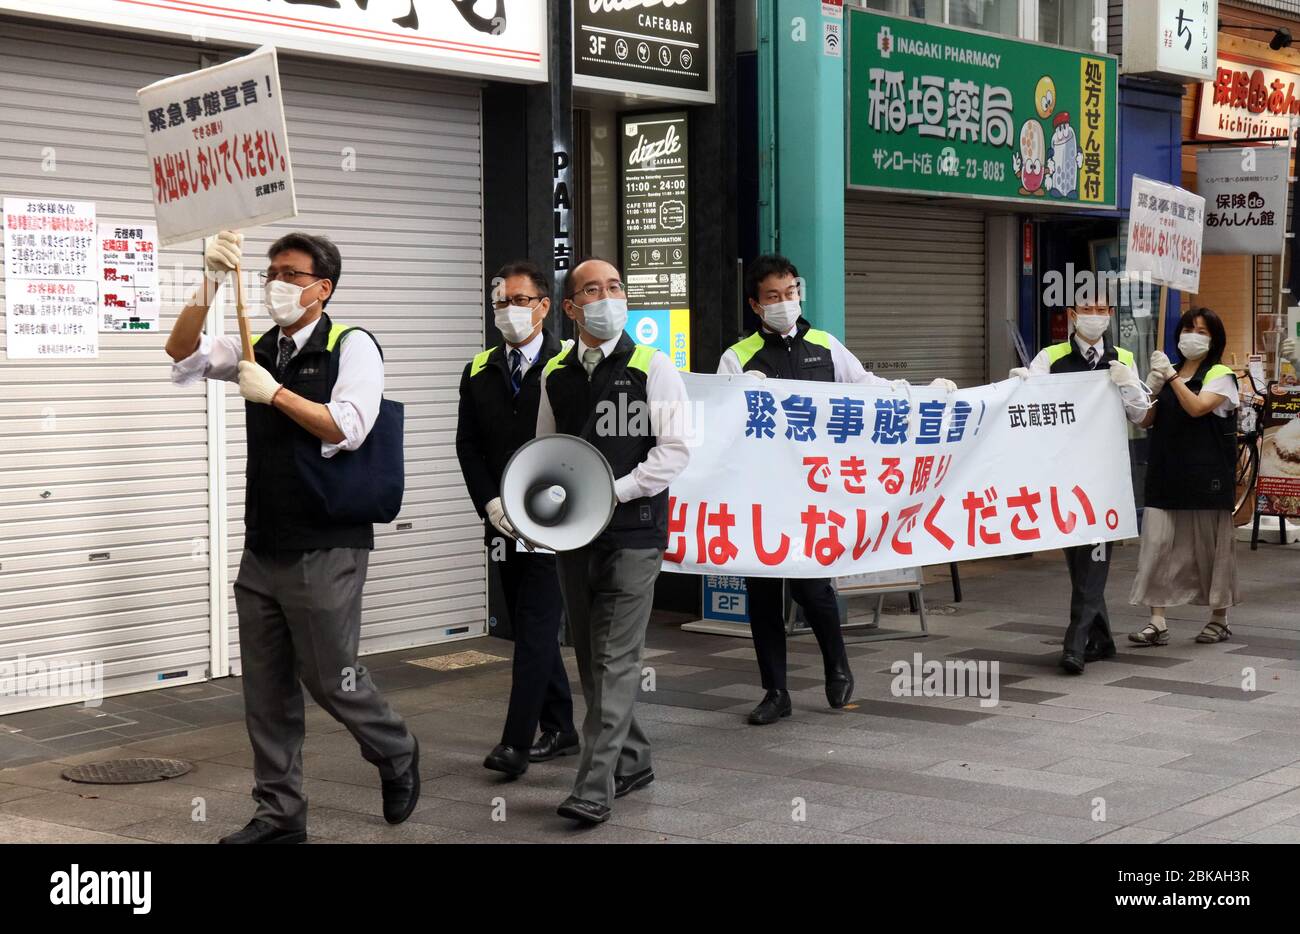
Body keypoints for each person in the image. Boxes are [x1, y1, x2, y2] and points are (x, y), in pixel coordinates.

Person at [166, 230, 419, 843]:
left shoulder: (351, 345)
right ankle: (280, 815)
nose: (276, 283)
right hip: (265, 543)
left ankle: (395, 747)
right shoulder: (258, 344)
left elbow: (348, 427)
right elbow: (180, 353)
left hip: (328, 539)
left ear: (322, 288)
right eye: (270, 272)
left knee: (332, 676)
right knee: (268, 688)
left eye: (291, 274)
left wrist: (274, 393)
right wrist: (210, 281)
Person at [718, 254, 959, 725]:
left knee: (814, 589)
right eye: (773, 297)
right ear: (755, 304)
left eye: (790, 293)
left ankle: (838, 667)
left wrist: (919, 395)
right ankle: (775, 691)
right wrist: (736, 392)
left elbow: (867, 388)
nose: (784, 303)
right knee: (763, 597)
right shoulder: (738, 356)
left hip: (814, 492)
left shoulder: (825, 346)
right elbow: (724, 423)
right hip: (763, 495)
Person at [536, 257, 690, 824]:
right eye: (593, 290)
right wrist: (530, 508)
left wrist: (613, 492)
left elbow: (674, 451)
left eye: (616, 287)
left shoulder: (653, 366)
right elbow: (546, 452)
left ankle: (594, 786)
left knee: (616, 657)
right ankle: (634, 758)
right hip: (576, 538)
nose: (608, 297)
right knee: (590, 658)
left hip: (634, 532)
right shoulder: (557, 373)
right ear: (572, 308)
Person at [456, 260, 578, 778]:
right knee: (527, 623)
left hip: (555, 519)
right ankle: (563, 729)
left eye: (519, 301)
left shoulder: (569, 364)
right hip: (502, 522)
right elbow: (468, 445)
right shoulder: (480, 368)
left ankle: (515, 742)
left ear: (545, 306)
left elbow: (578, 446)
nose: (508, 311)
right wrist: (490, 504)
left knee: (535, 625)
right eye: (501, 302)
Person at [1012, 299, 1150, 674]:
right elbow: (1028, 402)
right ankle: (1102, 640)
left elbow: (1141, 414)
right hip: (1065, 474)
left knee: (1095, 556)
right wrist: (1020, 384)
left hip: (1104, 475)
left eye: (1103, 309)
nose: (1096, 316)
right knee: (1080, 558)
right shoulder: (1051, 356)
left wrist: (1129, 386)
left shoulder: (1121, 356)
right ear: (1072, 316)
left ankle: (1075, 643)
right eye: (1087, 308)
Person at [1127, 308, 1239, 646]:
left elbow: (1197, 407)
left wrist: (1171, 380)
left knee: (1210, 549)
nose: (1194, 335)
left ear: (1214, 338)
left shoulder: (1221, 374)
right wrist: (1145, 387)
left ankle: (1219, 618)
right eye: (1189, 328)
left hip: (1207, 476)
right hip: (1165, 471)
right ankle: (1156, 620)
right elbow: (1145, 420)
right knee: (1157, 545)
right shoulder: (1168, 372)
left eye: (1202, 331)